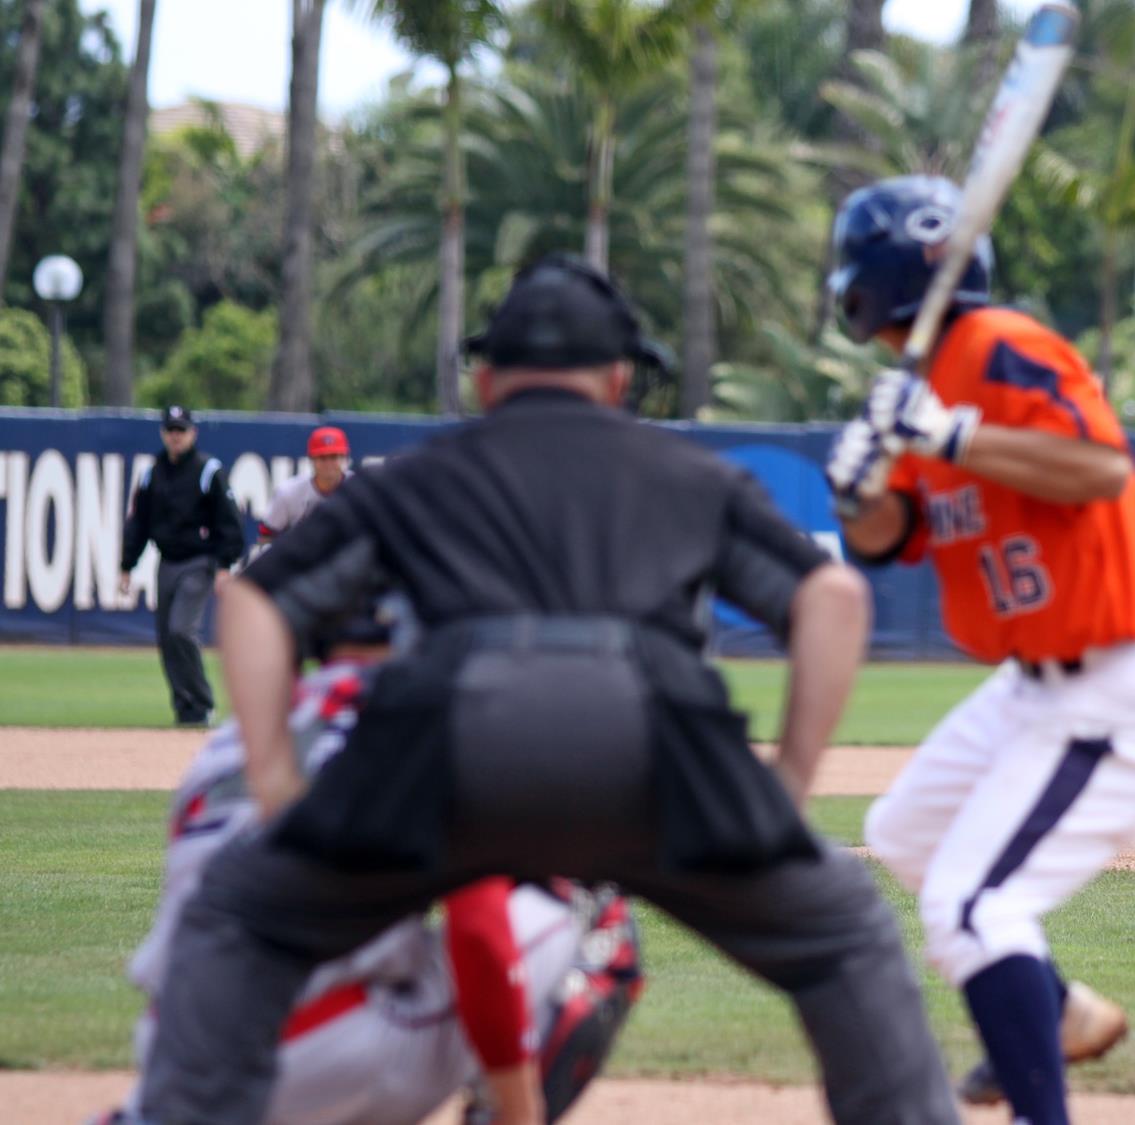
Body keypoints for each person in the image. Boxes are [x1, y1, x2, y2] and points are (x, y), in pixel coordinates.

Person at [134, 256, 955, 1125]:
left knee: (242, 914)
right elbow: (833, 598)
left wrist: (276, 779)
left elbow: (256, 600)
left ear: (488, 382)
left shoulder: (418, 478)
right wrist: (785, 783)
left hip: (442, 752)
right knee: (841, 936)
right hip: (655, 753)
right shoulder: (689, 476)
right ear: (616, 379)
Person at [824, 175, 1135, 1125]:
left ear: (867, 282)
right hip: (1032, 686)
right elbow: (891, 537)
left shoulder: (1001, 346)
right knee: (906, 833)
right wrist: (859, 489)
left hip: (1122, 684)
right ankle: (1058, 1010)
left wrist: (955, 432)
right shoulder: (923, 386)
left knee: (968, 910)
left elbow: (1099, 467)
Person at [95, 619, 645, 1125]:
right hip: (317, 1053)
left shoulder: (240, 736)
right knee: (591, 911)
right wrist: (520, 1109)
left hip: (173, 1051)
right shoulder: (426, 715)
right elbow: (479, 933)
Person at [120, 405, 246, 727]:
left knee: (181, 630)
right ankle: (184, 707)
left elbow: (229, 521)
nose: (176, 436)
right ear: (163, 433)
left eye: (181, 430)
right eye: (171, 430)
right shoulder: (153, 472)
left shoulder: (207, 470)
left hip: (198, 561)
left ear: (193, 433)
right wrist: (127, 565)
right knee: (166, 636)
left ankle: (202, 703)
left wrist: (223, 565)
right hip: (167, 561)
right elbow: (139, 522)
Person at [259, 426, 353, 543]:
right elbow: (267, 535)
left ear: (345, 458)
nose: (329, 463)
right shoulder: (289, 492)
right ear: (311, 459)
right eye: (322, 457)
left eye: (334, 457)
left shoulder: (360, 489)